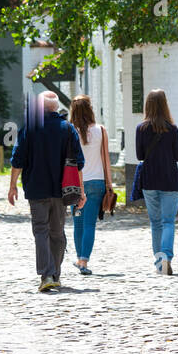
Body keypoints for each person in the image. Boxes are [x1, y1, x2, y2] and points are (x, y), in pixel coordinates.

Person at [8, 90, 84, 292]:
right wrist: (81, 192)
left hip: (36, 189)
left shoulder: (29, 129)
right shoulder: (68, 129)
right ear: (56, 108)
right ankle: (54, 273)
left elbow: (17, 160)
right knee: (57, 233)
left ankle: (47, 275)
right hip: (62, 191)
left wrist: (12, 185)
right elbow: (78, 164)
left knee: (41, 231)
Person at [136, 89, 178, 276]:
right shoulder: (172, 129)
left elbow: (140, 155)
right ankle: (167, 258)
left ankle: (159, 262)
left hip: (149, 180)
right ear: (165, 105)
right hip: (170, 180)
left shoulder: (141, 129)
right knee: (168, 222)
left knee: (156, 223)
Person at [68, 95, 112, 276]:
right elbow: (106, 158)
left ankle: (80, 259)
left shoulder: (69, 131)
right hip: (96, 183)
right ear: (90, 109)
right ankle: (84, 260)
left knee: (78, 223)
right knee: (90, 225)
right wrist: (109, 183)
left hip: (75, 184)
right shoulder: (100, 130)